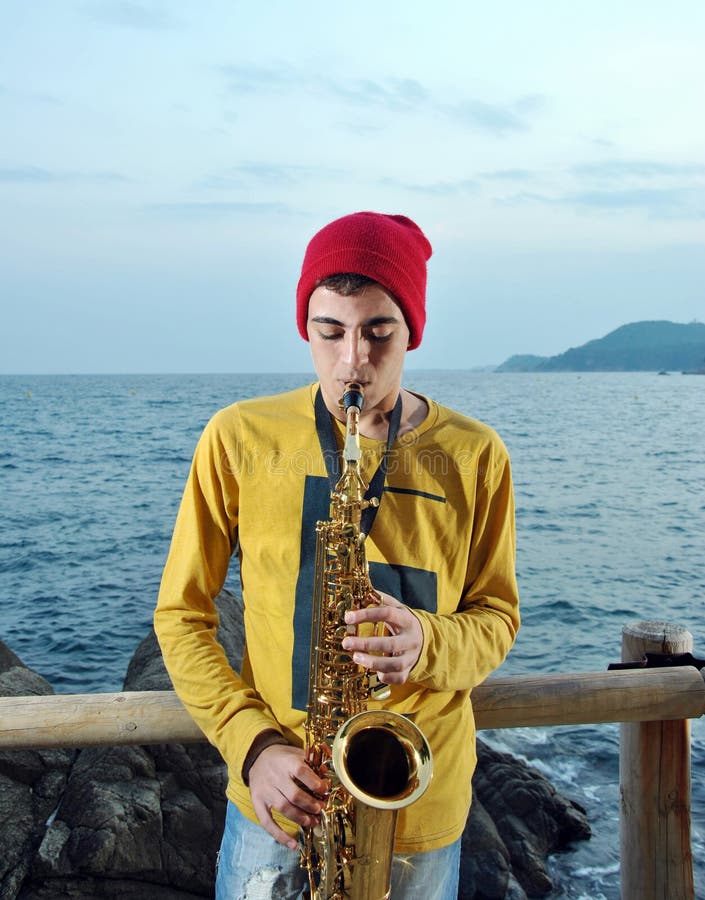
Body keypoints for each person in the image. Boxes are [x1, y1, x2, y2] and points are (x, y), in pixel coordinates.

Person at [154, 211, 520, 899]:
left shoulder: (476, 454)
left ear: (412, 331)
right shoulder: (238, 436)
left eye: (379, 332)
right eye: (330, 332)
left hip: (418, 808)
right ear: (305, 329)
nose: (353, 360)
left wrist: (429, 643)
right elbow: (180, 615)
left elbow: (497, 617)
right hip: (277, 799)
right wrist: (252, 746)